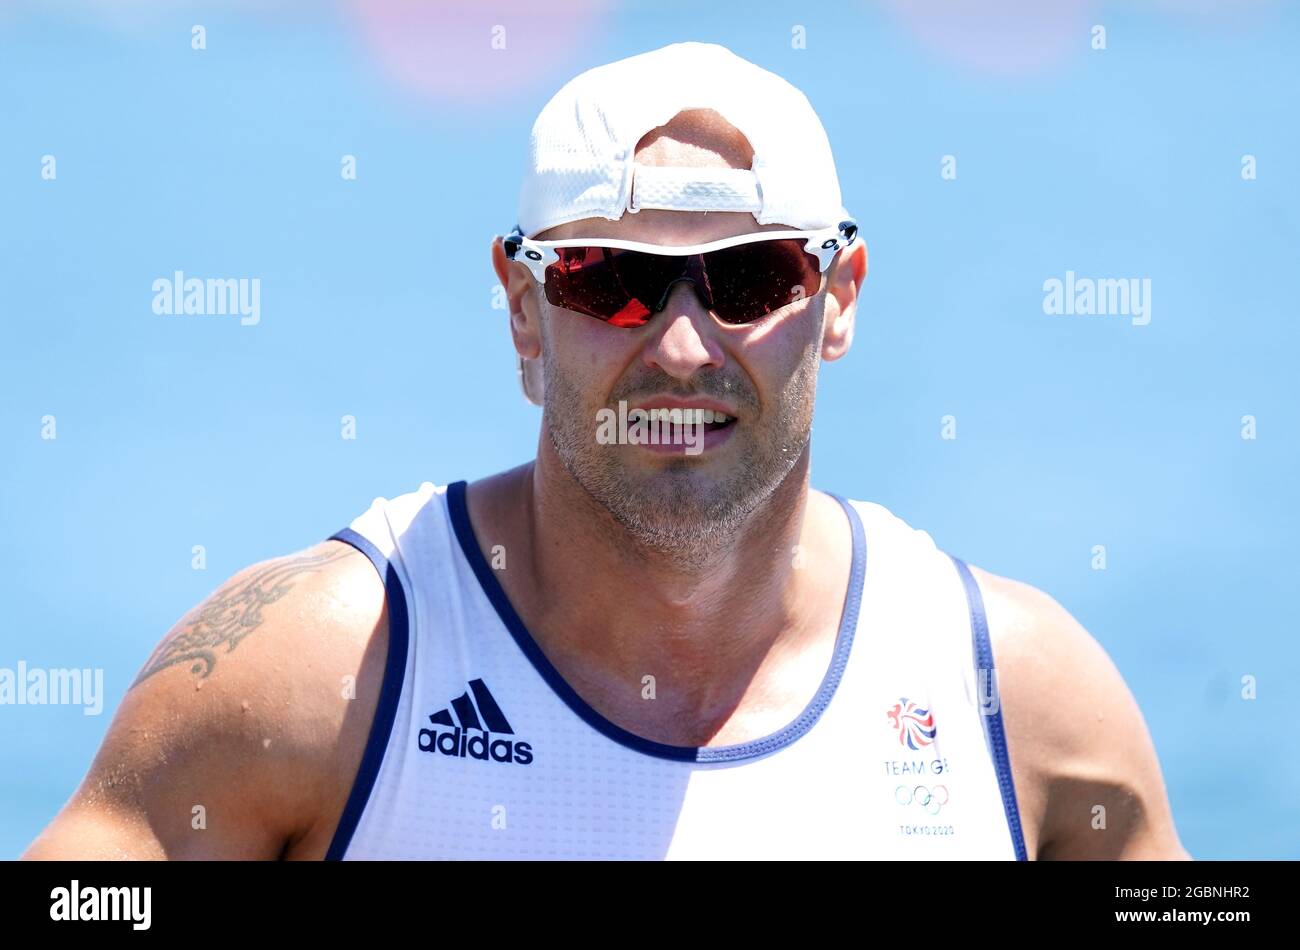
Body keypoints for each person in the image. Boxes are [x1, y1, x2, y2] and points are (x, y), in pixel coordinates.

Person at [23, 41, 1190, 860]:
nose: (682, 347)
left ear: (838, 298)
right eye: (611, 281)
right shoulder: (316, 675)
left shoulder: (1021, 706)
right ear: (523, 308)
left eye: (748, 278)